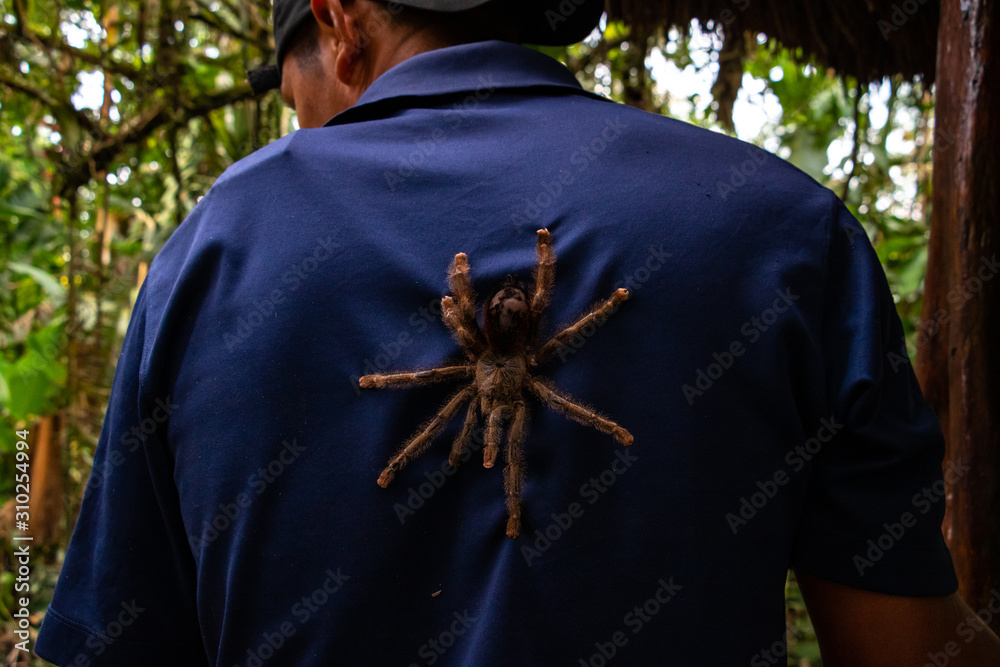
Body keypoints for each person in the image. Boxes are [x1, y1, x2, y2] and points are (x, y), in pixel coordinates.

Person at [34, 0, 1000, 664]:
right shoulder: (788, 228)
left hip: (504, 349)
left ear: (336, 23)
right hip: (515, 347)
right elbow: (910, 647)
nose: (304, 128)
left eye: (294, 99)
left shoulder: (207, 251)